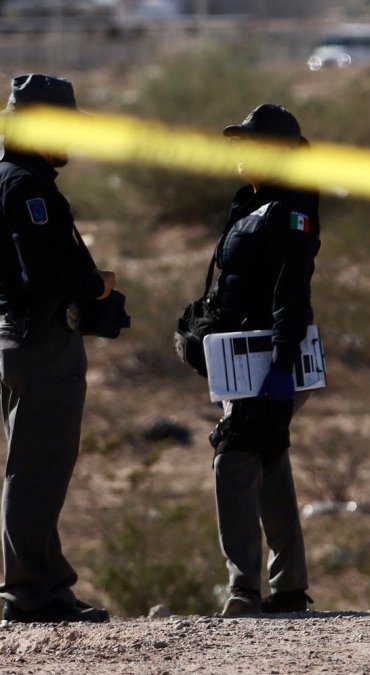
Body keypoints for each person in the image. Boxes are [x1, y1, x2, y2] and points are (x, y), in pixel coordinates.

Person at [0, 74, 116, 623]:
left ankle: (44, 585)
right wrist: (95, 286)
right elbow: (42, 270)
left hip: (16, 338)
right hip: (40, 340)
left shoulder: (10, 179)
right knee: (38, 469)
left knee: (34, 467)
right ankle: (29, 593)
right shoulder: (27, 186)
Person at [206, 103, 320, 617]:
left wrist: (281, 362)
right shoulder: (250, 204)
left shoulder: (291, 208)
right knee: (268, 454)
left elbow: (290, 289)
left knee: (234, 457)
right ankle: (289, 588)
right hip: (240, 358)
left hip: (267, 357)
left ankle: (244, 592)